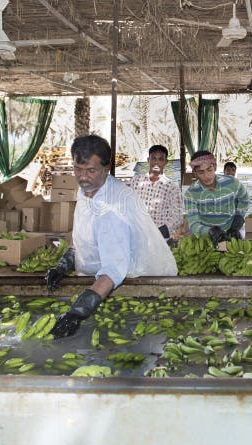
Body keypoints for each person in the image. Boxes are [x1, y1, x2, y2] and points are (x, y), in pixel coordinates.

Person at [45, 135, 177, 338]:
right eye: (78, 169)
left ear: (106, 169)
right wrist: (64, 264)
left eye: (90, 170)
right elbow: (83, 235)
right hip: (101, 278)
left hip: (138, 280)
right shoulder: (88, 189)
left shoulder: (114, 207)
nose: (82, 177)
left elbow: (113, 271)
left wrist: (77, 312)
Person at [184, 150, 248, 245]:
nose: (206, 176)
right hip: (204, 238)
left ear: (215, 167)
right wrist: (210, 231)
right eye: (201, 172)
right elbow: (193, 224)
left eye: (209, 170)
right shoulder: (191, 193)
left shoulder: (232, 183)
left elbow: (244, 199)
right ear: (195, 173)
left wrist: (238, 218)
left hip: (230, 233)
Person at [128, 144, 184, 241]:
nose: (156, 163)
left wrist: (162, 230)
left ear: (166, 162)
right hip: (137, 235)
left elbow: (178, 215)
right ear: (148, 160)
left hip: (160, 240)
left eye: (160, 159)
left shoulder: (171, 187)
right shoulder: (135, 182)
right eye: (153, 158)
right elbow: (127, 206)